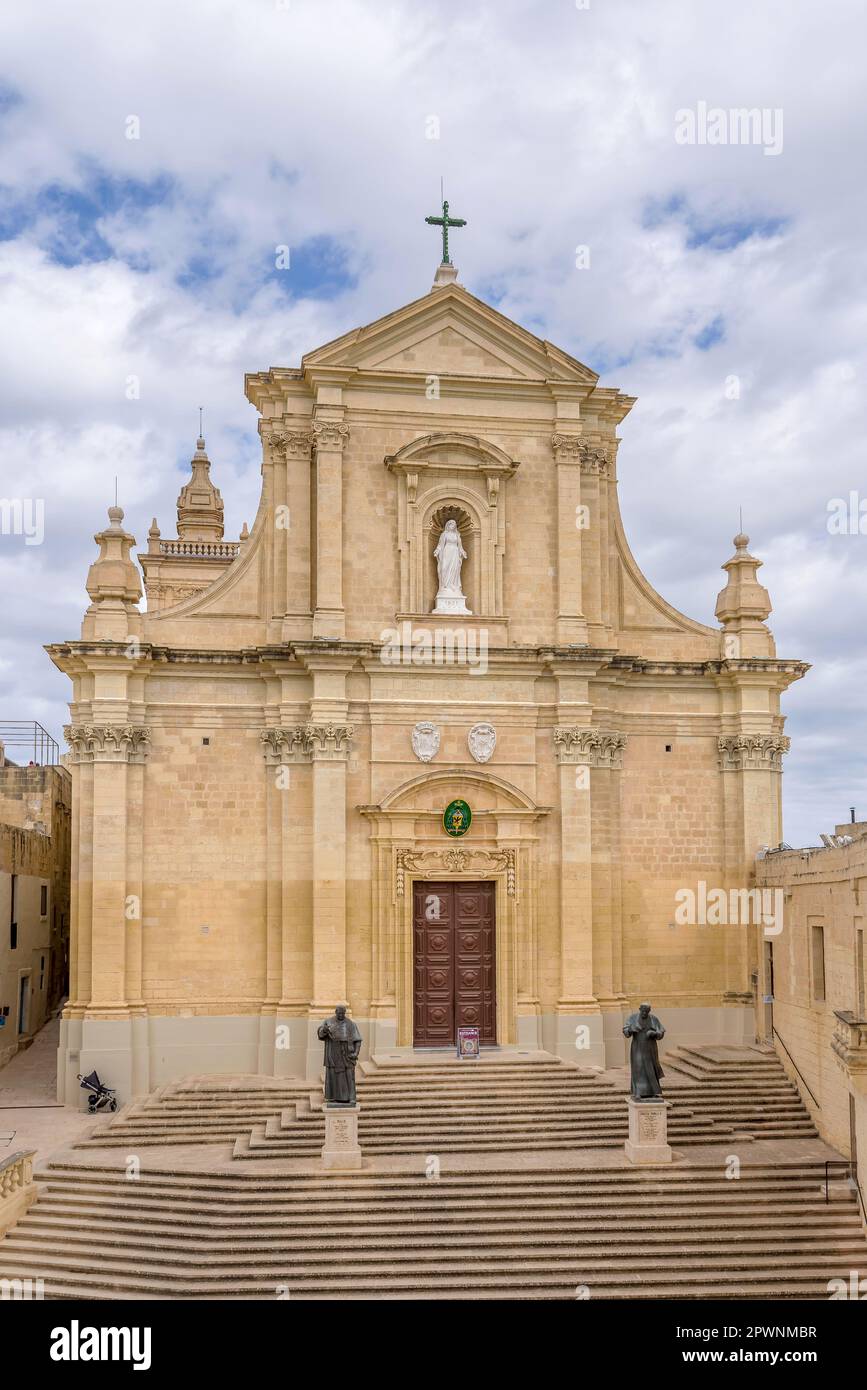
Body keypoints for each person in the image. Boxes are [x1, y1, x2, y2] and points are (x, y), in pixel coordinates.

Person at [317, 1004, 362, 1105]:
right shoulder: (328, 1022)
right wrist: (324, 1030)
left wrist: (355, 1052)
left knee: (349, 1076)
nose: (341, 1015)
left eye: (343, 1013)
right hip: (333, 1052)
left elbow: (358, 1040)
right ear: (336, 1012)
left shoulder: (351, 1024)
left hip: (347, 1054)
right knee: (332, 1075)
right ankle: (332, 1097)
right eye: (339, 1013)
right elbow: (320, 1033)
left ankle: (351, 1097)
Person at [623, 1001, 665, 1099]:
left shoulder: (653, 1019)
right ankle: (638, 1091)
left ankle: (654, 1091)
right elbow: (626, 1031)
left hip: (650, 1048)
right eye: (643, 1011)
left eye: (647, 1011)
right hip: (637, 1047)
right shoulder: (633, 1018)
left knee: (651, 1069)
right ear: (640, 1009)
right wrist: (632, 1029)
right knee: (638, 1069)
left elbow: (661, 1032)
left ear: (649, 1011)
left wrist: (654, 1033)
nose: (644, 1013)